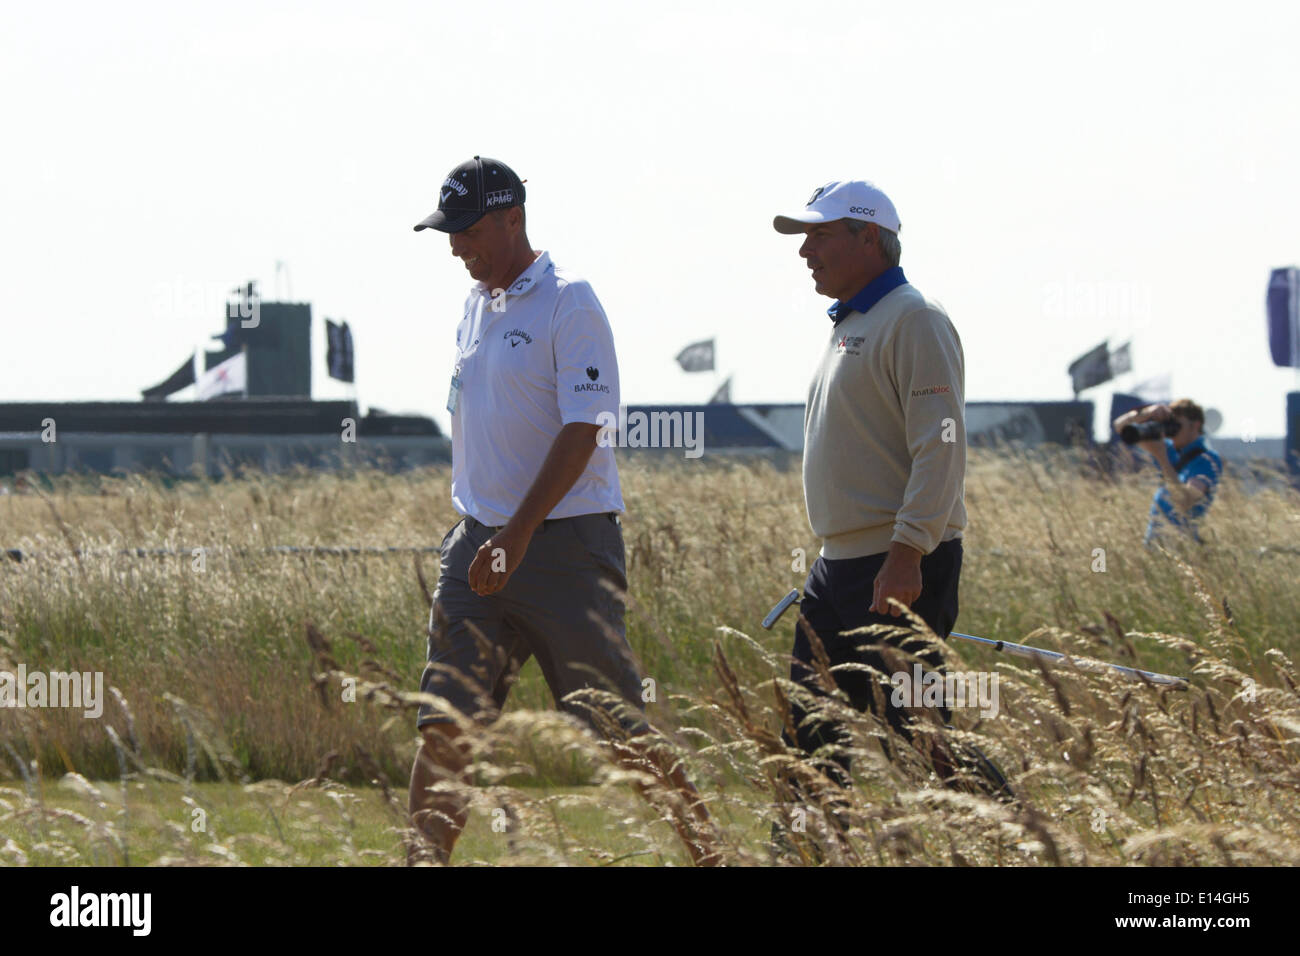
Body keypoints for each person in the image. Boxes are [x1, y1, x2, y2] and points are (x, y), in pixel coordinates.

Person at [408, 156, 715, 865]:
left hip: (564, 549)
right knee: (447, 727)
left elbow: (587, 427)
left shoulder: (570, 302)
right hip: (474, 546)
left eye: (468, 229)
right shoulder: (474, 305)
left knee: (615, 730)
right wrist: (483, 535)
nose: (456, 245)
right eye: (448, 232)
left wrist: (516, 536)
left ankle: (708, 854)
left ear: (513, 218)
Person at [772, 179, 975, 793]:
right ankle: (809, 852)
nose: (806, 251)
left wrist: (908, 551)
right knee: (810, 736)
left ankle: (1003, 842)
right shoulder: (851, 322)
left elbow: (939, 447)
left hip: (895, 566)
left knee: (919, 738)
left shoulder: (914, 319)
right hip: (841, 567)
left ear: (869, 238)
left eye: (820, 235)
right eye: (804, 238)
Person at [1112, 399, 1223, 545]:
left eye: (1177, 425)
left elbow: (1185, 502)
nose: (1172, 431)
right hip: (1156, 543)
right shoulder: (1171, 449)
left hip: (1180, 544)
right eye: (1170, 424)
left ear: (1196, 425)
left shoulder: (1206, 459)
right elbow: (1120, 427)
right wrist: (1147, 412)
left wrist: (1161, 457)